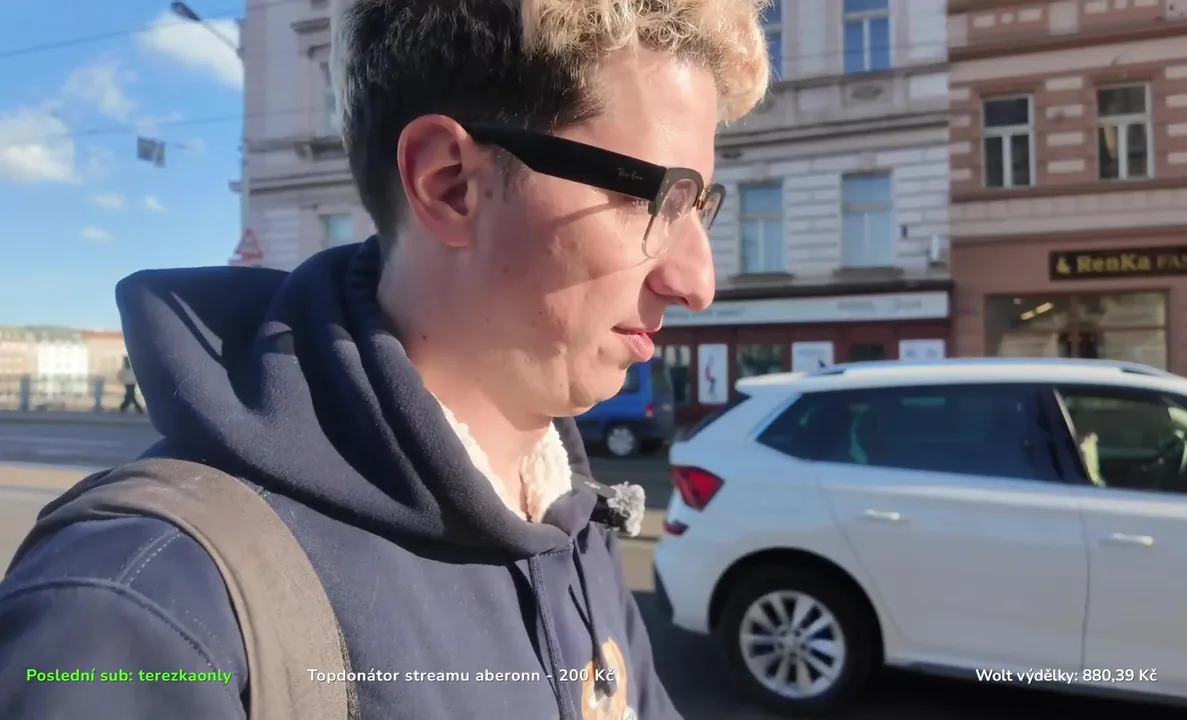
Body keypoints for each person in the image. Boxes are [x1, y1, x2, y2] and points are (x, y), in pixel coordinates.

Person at [0, 0, 769, 718]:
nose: (697, 282)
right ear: (450, 185)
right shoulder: (142, 613)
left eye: (699, 207)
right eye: (655, 198)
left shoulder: (573, 520)